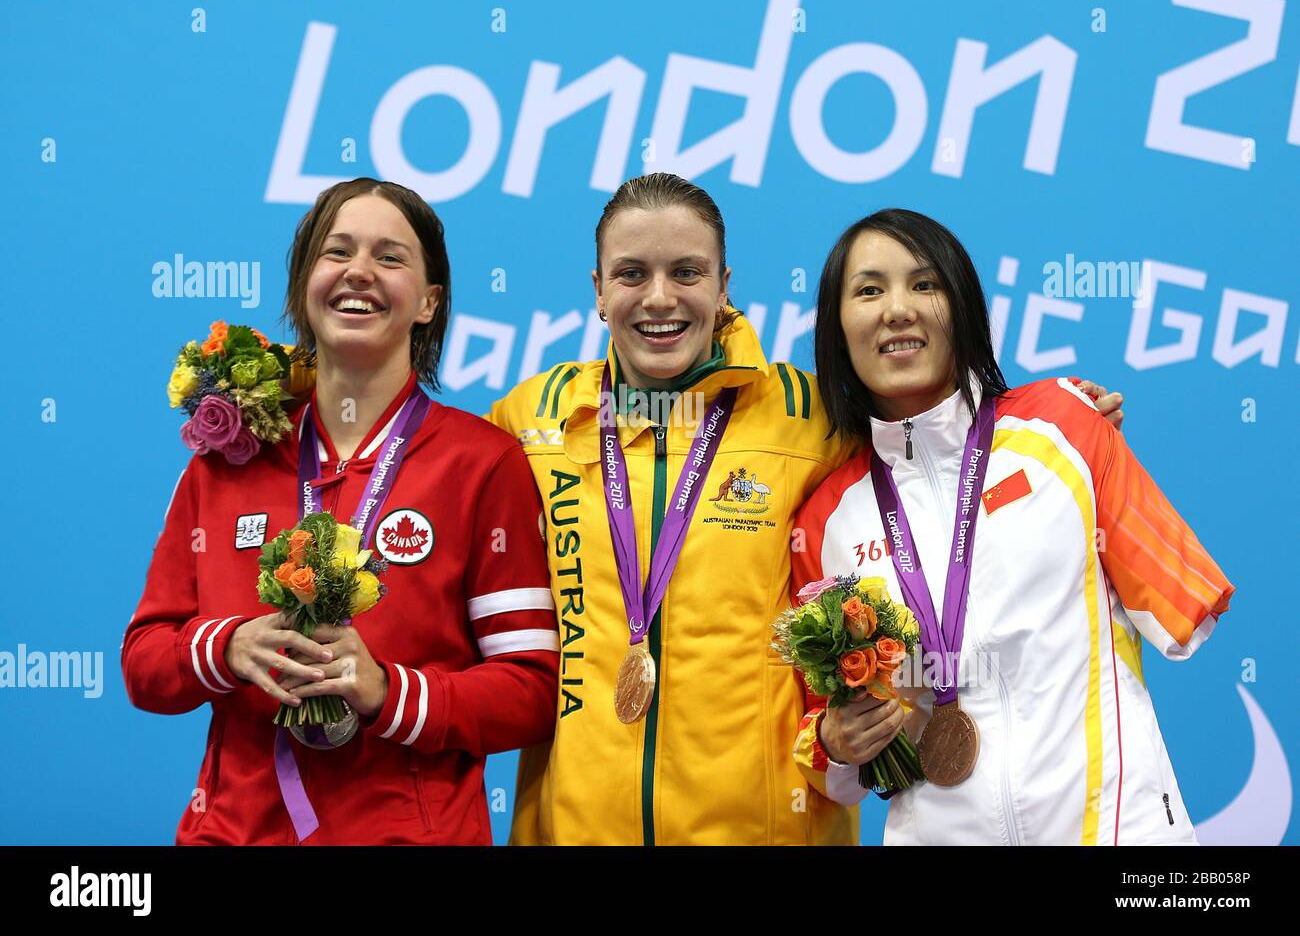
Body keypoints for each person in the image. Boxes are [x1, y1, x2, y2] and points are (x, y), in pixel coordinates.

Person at [487, 175, 1125, 844]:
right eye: (631, 273)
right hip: (570, 828)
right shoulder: (532, 420)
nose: (659, 298)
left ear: (724, 285)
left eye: (687, 272)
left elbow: (941, 442)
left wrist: (1056, 422)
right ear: (597, 289)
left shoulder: (810, 417)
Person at [123, 178, 559, 845]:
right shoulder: (230, 456)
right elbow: (145, 664)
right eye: (338, 251)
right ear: (304, 283)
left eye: (390, 256)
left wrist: (387, 691)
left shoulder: (481, 463)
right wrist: (227, 648)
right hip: (233, 835)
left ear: (429, 301)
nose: (359, 271)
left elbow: (531, 691)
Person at [791, 208, 1234, 844]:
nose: (897, 309)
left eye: (924, 284)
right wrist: (837, 744)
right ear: (836, 328)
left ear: (964, 305)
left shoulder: (1064, 427)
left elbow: (1181, 605)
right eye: (868, 290)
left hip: (1117, 828)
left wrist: (1091, 438)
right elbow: (832, 763)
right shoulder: (826, 520)